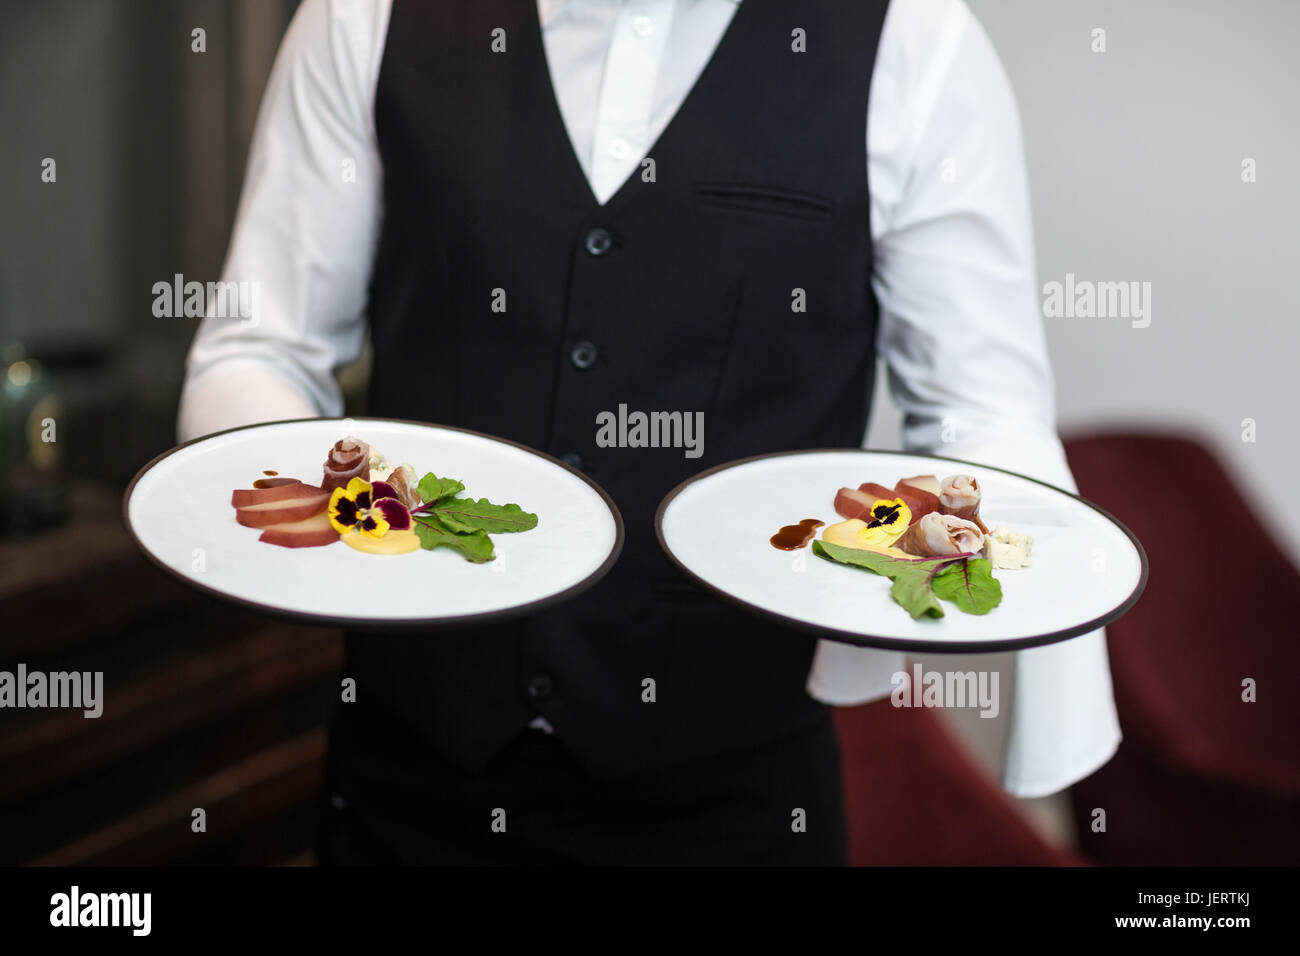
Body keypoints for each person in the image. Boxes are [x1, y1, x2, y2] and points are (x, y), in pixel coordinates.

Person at [179, 0, 1120, 865]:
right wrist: (317, 524)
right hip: (410, 786)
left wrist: (1041, 667)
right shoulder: (368, 14)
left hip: (737, 807)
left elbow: (980, 412)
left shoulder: (912, 40)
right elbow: (260, 345)